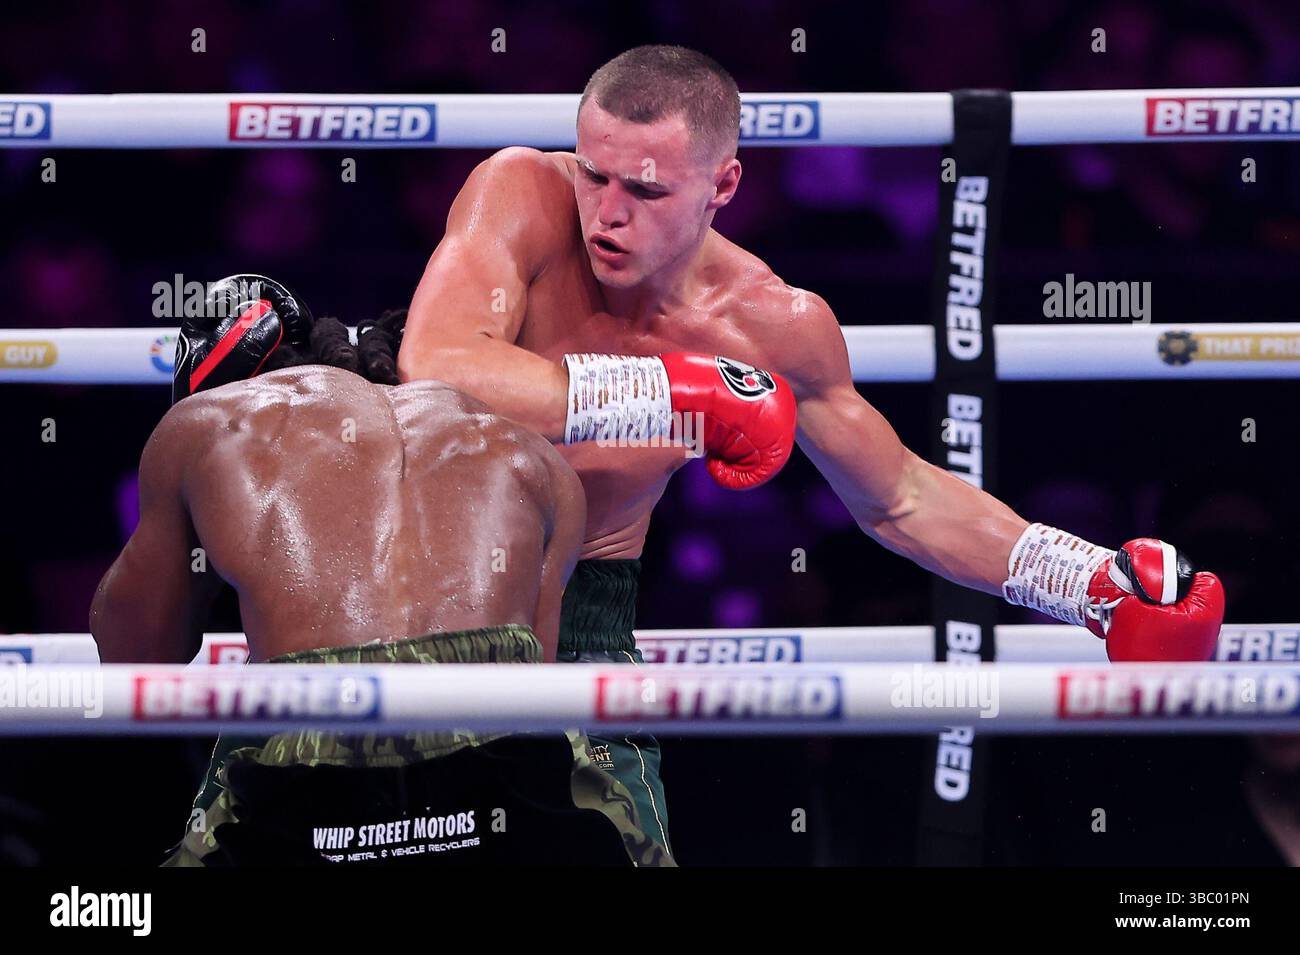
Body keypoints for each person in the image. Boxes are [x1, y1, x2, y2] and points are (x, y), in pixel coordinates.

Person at [396, 45, 1227, 851]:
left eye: (647, 189)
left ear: (723, 185)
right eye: (594, 173)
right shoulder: (522, 192)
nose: (607, 213)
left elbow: (899, 496)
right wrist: (670, 392)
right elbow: (436, 361)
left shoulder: (771, 327)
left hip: (581, 622)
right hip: (418, 591)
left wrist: (1083, 580)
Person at [91, 275, 670, 866]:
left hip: (317, 746)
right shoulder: (533, 456)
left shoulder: (209, 423)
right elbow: (535, 684)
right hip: (497, 745)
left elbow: (134, 657)